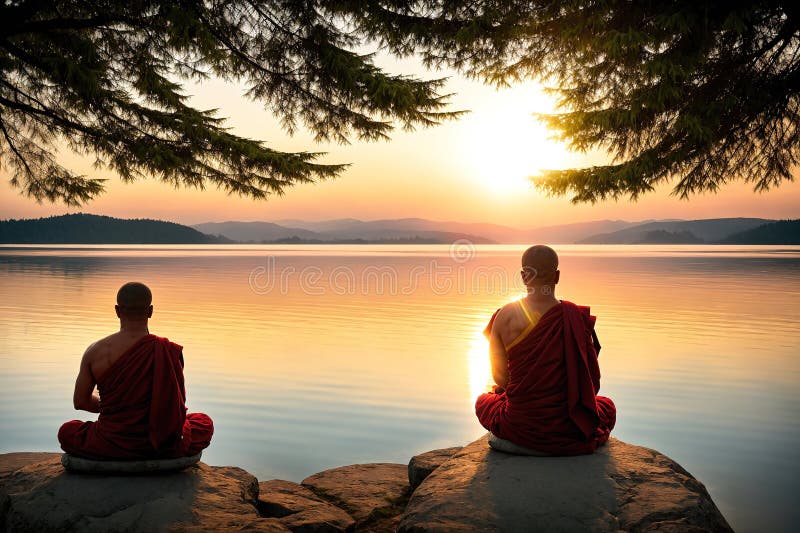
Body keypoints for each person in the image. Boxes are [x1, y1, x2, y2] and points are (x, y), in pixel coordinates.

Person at [475, 245, 616, 455]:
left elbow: (500, 377)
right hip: (569, 425)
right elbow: (591, 383)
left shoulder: (504, 316)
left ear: (524, 277)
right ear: (557, 276)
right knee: (606, 406)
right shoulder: (574, 317)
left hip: (519, 425)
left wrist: (522, 393)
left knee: (483, 401)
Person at [58, 282, 213, 460]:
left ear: (117, 311)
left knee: (67, 431)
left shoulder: (95, 351)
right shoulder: (166, 350)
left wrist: (116, 408)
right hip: (160, 444)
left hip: (110, 441)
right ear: (150, 311)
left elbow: (81, 402)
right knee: (203, 422)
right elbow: (176, 404)